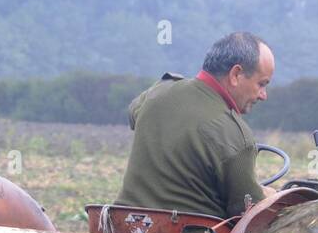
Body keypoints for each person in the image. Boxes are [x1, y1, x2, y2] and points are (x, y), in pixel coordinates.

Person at [115, 31, 274, 219]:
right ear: (236, 74)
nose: (264, 95)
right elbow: (248, 212)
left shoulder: (158, 92)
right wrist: (268, 196)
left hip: (124, 226)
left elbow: (133, 112)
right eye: (261, 84)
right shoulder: (235, 135)